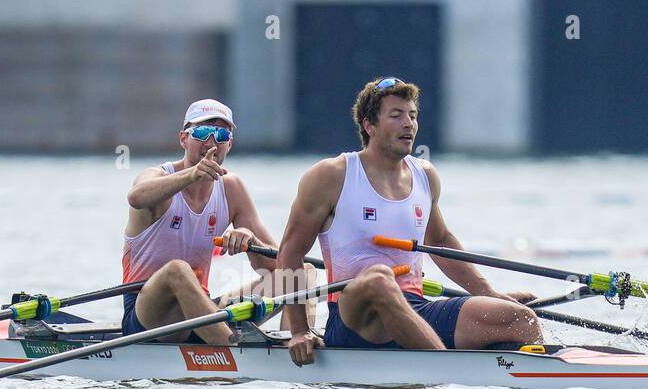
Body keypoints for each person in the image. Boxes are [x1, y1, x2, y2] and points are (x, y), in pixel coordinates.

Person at [275, 77, 543, 365]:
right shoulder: (331, 175)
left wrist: (489, 294)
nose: (409, 124)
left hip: (415, 307)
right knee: (380, 278)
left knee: (520, 319)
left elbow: (439, 242)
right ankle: (444, 369)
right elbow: (290, 252)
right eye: (396, 115)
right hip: (357, 318)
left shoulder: (425, 175)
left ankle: (499, 365)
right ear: (369, 126)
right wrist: (300, 331)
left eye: (413, 115)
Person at [122, 98, 280, 344]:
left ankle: (299, 345)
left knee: (299, 275)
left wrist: (250, 239)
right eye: (203, 132)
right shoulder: (157, 177)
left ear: (230, 143)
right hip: (148, 314)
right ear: (183, 139)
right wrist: (192, 174)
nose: (211, 142)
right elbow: (136, 197)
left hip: (199, 311)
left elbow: (277, 265)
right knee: (178, 270)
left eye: (221, 134)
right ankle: (230, 349)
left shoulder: (231, 188)